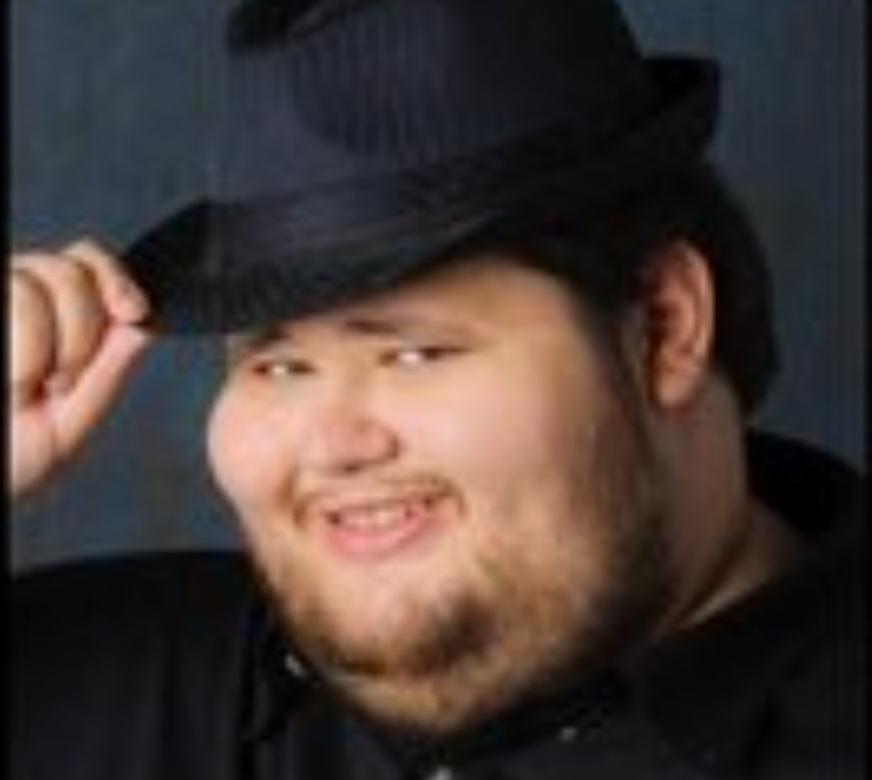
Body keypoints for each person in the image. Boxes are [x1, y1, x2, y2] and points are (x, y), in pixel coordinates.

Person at [9, 0, 864, 778]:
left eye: (415, 354)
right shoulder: (154, 681)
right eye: (279, 366)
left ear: (666, 326)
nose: (333, 445)